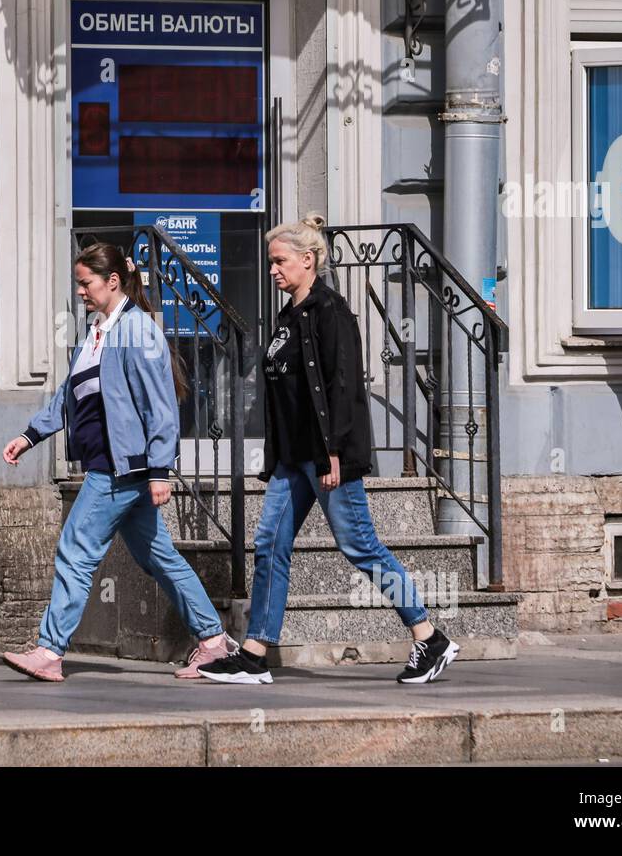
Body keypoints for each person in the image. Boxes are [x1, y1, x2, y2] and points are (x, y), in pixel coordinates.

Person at [197, 214, 460, 686]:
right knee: (270, 544)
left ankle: (429, 635)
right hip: (292, 459)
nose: (273, 269)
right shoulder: (287, 317)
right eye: (271, 262)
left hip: (324, 456)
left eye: (280, 262)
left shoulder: (331, 312)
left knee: (359, 545)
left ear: (307, 260)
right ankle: (255, 653)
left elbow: (341, 386)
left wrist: (333, 452)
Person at [0, 242, 235, 682]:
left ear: (112, 281)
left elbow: (160, 403)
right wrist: (29, 435)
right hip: (122, 467)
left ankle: (50, 651)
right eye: (78, 284)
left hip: (119, 468)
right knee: (159, 557)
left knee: (74, 550)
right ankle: (214, 644)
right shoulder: (98, 331)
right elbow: (72, 395)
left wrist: (161, 469)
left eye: (85, 283)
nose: (80, 292)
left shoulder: (135, 330)